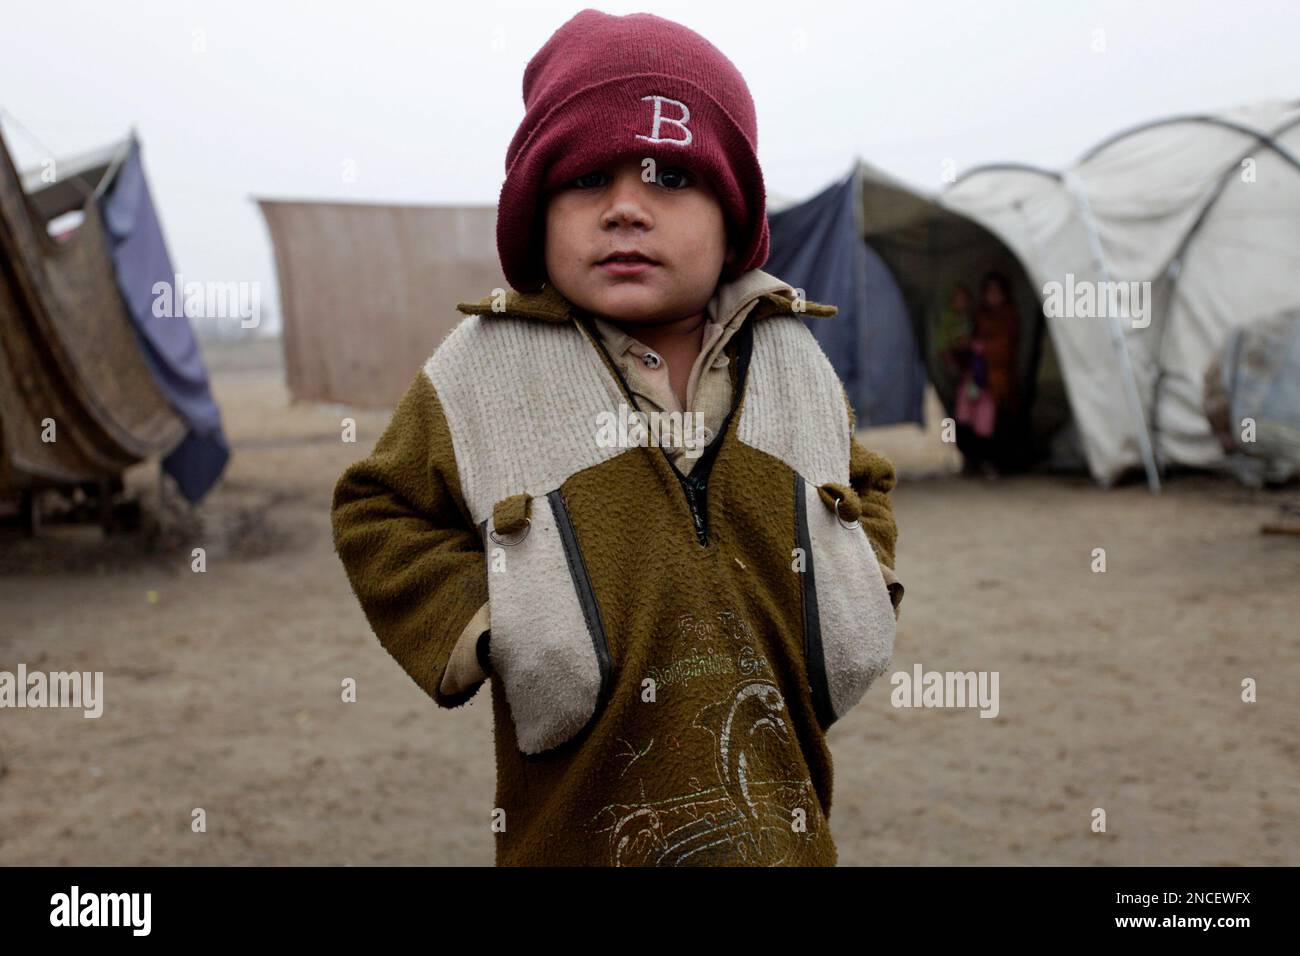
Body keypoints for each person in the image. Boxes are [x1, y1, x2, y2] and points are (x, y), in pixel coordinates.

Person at [330, 9, 903, 867]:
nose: (626, 208)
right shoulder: (483, 369)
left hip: (783, 831)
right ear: (535, 207)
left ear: (733, 210)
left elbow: (863, 483)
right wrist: (492, 626)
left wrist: (863, 586)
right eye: (588, 177)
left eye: (671, 177)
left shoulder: (791, 357)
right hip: (578, 832)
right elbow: (379, 510)